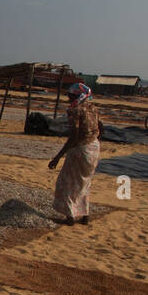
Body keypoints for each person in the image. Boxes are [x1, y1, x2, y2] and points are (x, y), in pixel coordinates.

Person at [49, 81, 101, 225]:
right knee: (85, 182)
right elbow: (100, 127)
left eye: (70, 96)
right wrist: (93, 140)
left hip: (81, 149)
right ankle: (85, 215)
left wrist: (58, 157)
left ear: (78, 95)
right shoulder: (93, 108)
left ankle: (70, 217)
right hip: (94, 147)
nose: (68, 98)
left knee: (67, 182)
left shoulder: (75, 110)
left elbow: (74, 136)